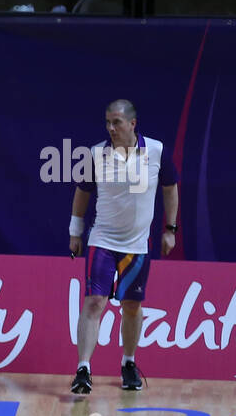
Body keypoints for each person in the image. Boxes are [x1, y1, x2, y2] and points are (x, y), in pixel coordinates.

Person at [68, 99, 180, 394]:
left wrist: (170, 228)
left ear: (132, 123)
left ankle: (128, 363)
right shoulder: (96, 154)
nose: (110, 128)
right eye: (107, 122)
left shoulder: (155, 151)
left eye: (116, 122)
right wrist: (75, 231)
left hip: (137, 245)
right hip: (102, 241)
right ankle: (83, 369)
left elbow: (170, 188)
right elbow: (82, 192)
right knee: (94, 303)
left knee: (132, 306)